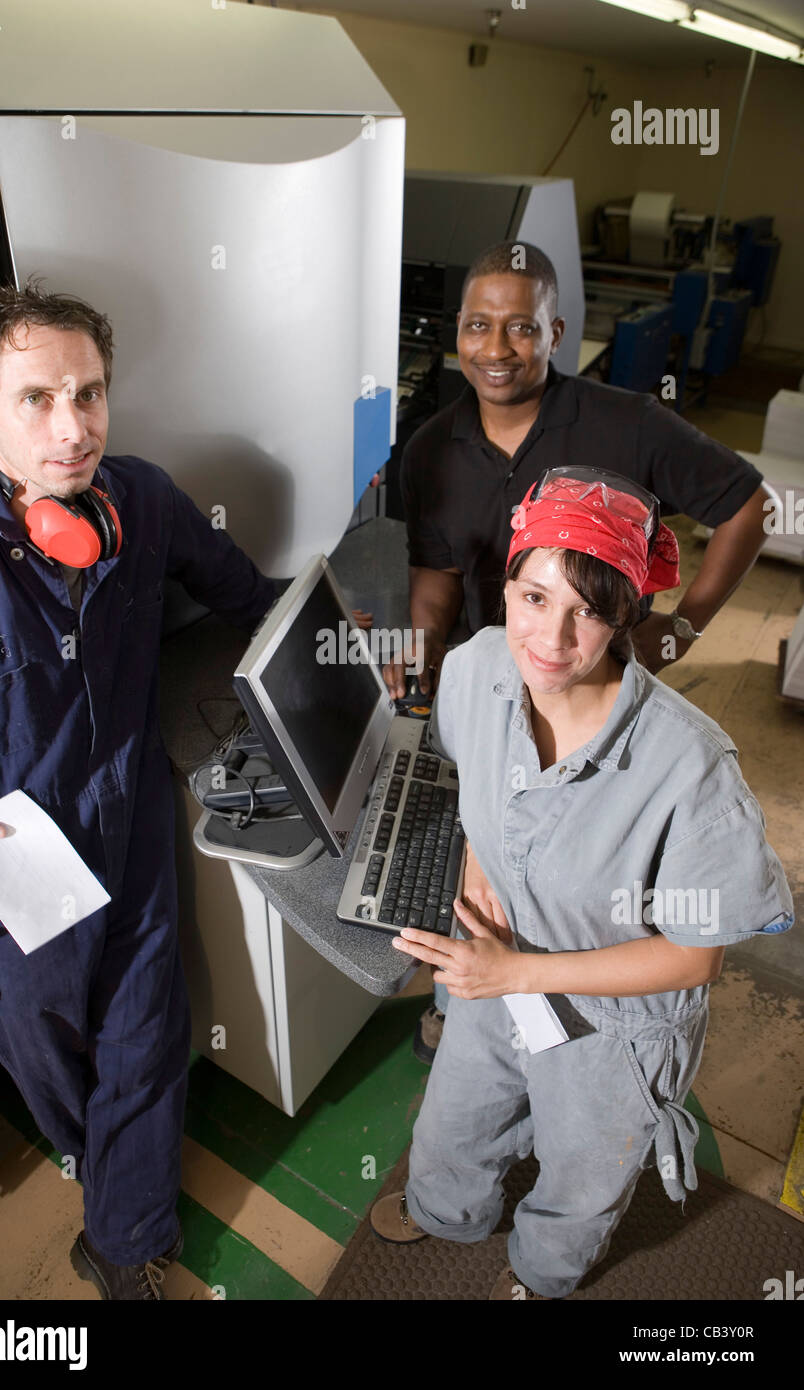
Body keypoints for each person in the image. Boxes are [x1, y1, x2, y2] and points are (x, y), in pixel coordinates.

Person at [370, 467, 793, 1300]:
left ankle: (541, 1271)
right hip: (502, 963)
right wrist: (483, 865)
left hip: (617, 1023)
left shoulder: (689, 767)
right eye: (533, 598)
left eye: (588, 611)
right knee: (455, 1120)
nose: (551, 640)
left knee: (581, 1170)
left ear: (625, 616)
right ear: (506, 587)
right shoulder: (478, 670)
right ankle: (448, 1208)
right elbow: (476, 781)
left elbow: (692, 958)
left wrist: (520, 974)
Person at [0, 282, 278, 1300]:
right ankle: (90, 1152)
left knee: (148, 1032)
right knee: (47, 1050)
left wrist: (314, 681)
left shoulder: (145, 499)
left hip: (126, 823)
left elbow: (244, 595)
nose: (72, 427)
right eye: (37, 397)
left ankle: (126, 1243)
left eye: (89, 394)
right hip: (1, 868)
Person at [385, 241, 773, 1063]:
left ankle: (583, 1024)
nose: (496, 349)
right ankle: (483, 1010)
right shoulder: (430, 451)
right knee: (488, 862)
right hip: (498, 699)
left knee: (581, 884)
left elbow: (745, 504)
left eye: (520, 328)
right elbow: (436, 582)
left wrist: (687, 623)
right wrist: (416, 660)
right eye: (478, 326)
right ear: (456, 332)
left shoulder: (624, 424)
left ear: (555, 332)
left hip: (596, 704)